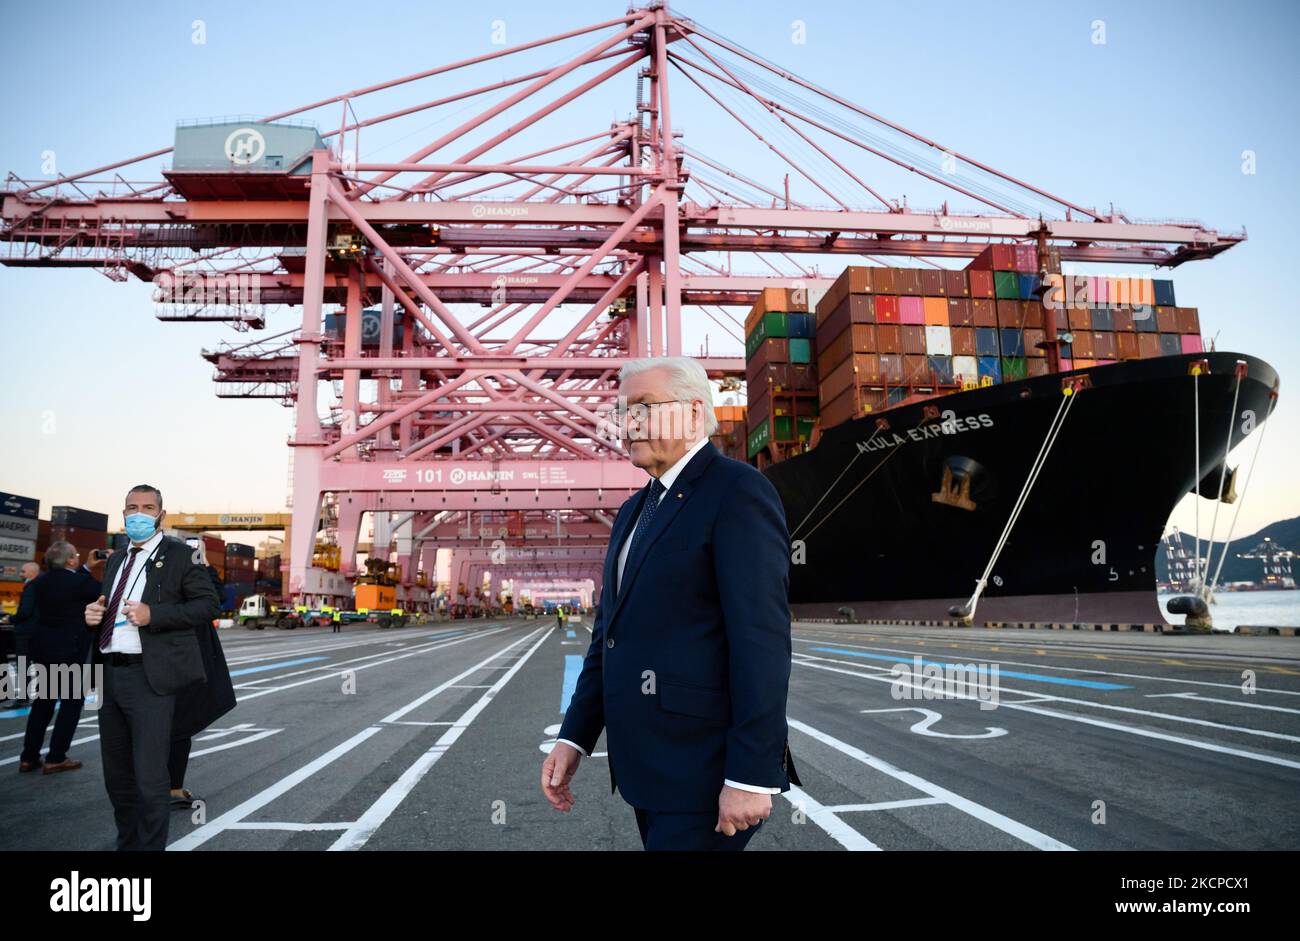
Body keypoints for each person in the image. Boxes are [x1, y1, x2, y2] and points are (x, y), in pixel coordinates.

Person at [541, 356, 800, 851]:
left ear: (694, 411)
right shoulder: (632, 512)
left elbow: (762, 641)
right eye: (623, 411)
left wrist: (750, 774)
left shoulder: (738, 491)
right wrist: (574, 738)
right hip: (646, 773)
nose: (628, 423)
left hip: (704, 774)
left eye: (644, 407)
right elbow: (608, 639)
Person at [84, 484, 219, 851]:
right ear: (123, 513)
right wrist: (94, 615)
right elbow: (109, 605)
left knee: (149, 777)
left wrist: (152, 614)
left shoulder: (180, 554)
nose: (138, 513)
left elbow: (208, 605)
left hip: (150, 679)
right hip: (109, 675)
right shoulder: (115, 560)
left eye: (147, 507)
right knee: (118, 778)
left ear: (161, 513)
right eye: (131, 507)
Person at [17, 545, 101, 772]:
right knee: (71, 704)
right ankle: (56, 756)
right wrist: (93, 568)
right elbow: (102, 592)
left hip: (44, 648)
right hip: (71, 651)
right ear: (71, 561)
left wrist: (84, 568)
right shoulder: (80, 582)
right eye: (76, 555)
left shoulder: (40, 582)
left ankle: (29, 756)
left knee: (42, 703)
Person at [3, 561, 43, 711]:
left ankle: (23, 698)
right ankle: (42, 696)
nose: (21, 575)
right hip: (36, 632)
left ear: (32, 573)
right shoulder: (41, 586)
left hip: (25, 633)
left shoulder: (31, 587)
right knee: (39, 664)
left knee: (23, 665)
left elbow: (25, 611)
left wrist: (10, 619)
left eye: (23, 572)